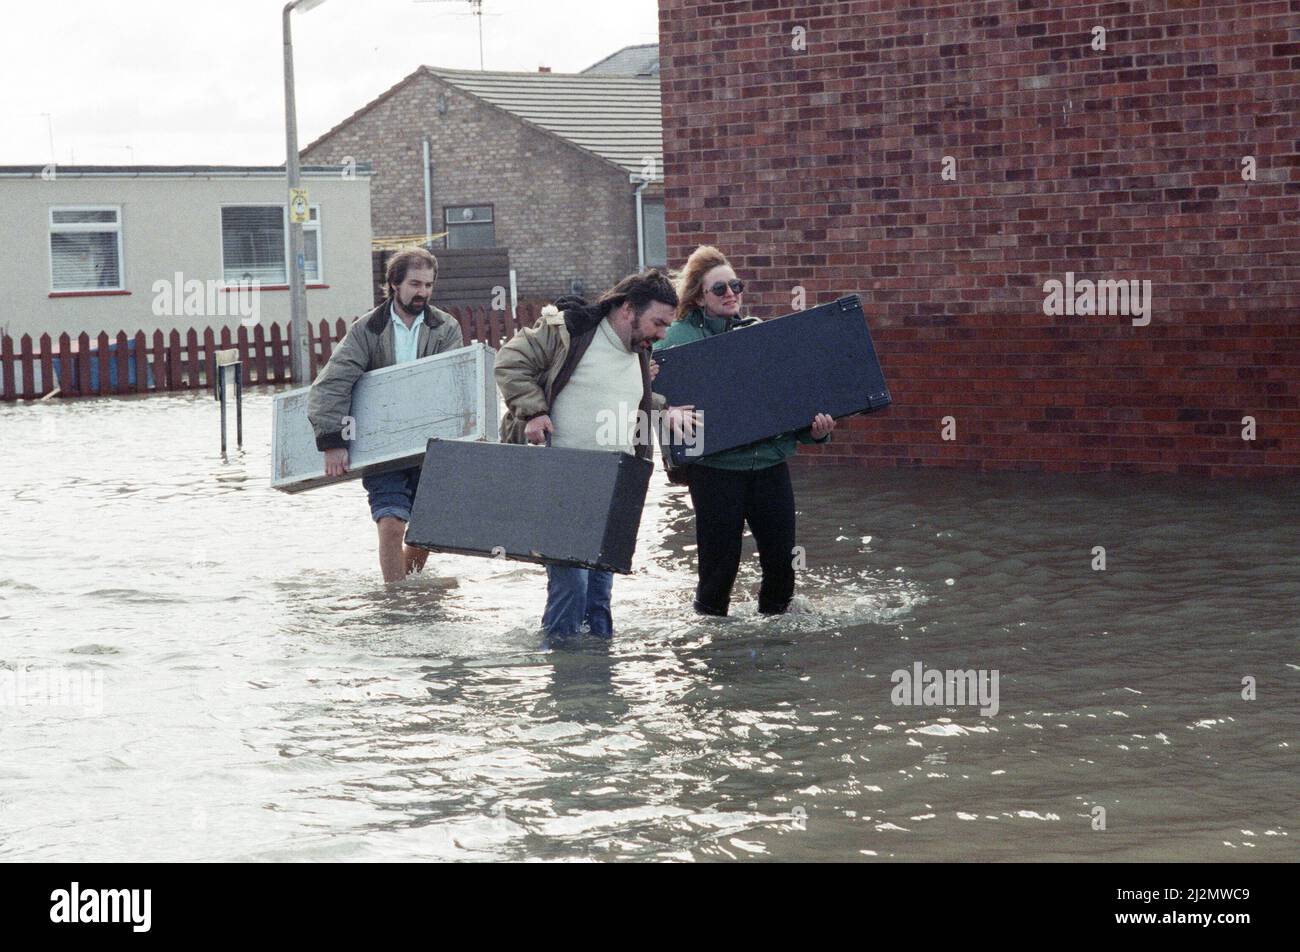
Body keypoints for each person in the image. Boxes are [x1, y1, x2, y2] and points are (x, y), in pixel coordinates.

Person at [495, 269, 699, 638]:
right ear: (626, 309)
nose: (663, 334)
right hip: (560, 482)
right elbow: (509, 362)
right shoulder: (569, 330)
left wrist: (662, 410)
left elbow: (622, 397)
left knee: (599, 600)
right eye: (658, 323)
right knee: (570, 590)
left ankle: (599, 683)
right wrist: (534, 411)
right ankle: (563, 676)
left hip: (613, 488)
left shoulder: (639, 350)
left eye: (668, 326)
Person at [652, 245, 836, 617]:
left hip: (769, 466)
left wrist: (816, 432)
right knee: (719, 568)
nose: (731, 294)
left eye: (735, 285)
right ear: (698, 296)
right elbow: (637, 391)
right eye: (719, 289)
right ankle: (714, 645)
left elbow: (785, 399)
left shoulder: (759, 336)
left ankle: (776, 641)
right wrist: (664, 412)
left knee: (782, 562)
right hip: (716, 471)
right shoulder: (675, 340)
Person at [307, 248, 464, 583]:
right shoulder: (367, 329)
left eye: (428, 285)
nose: (422, 292)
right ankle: (395, 604)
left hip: (429, 447)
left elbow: (454, 385)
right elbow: (333, 383)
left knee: (427, 531)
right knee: (392, 525)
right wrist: (332, 441)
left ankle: (407, 592)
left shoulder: (446, 328)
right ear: (395, 283)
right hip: (384, 448)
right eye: (414, 284)